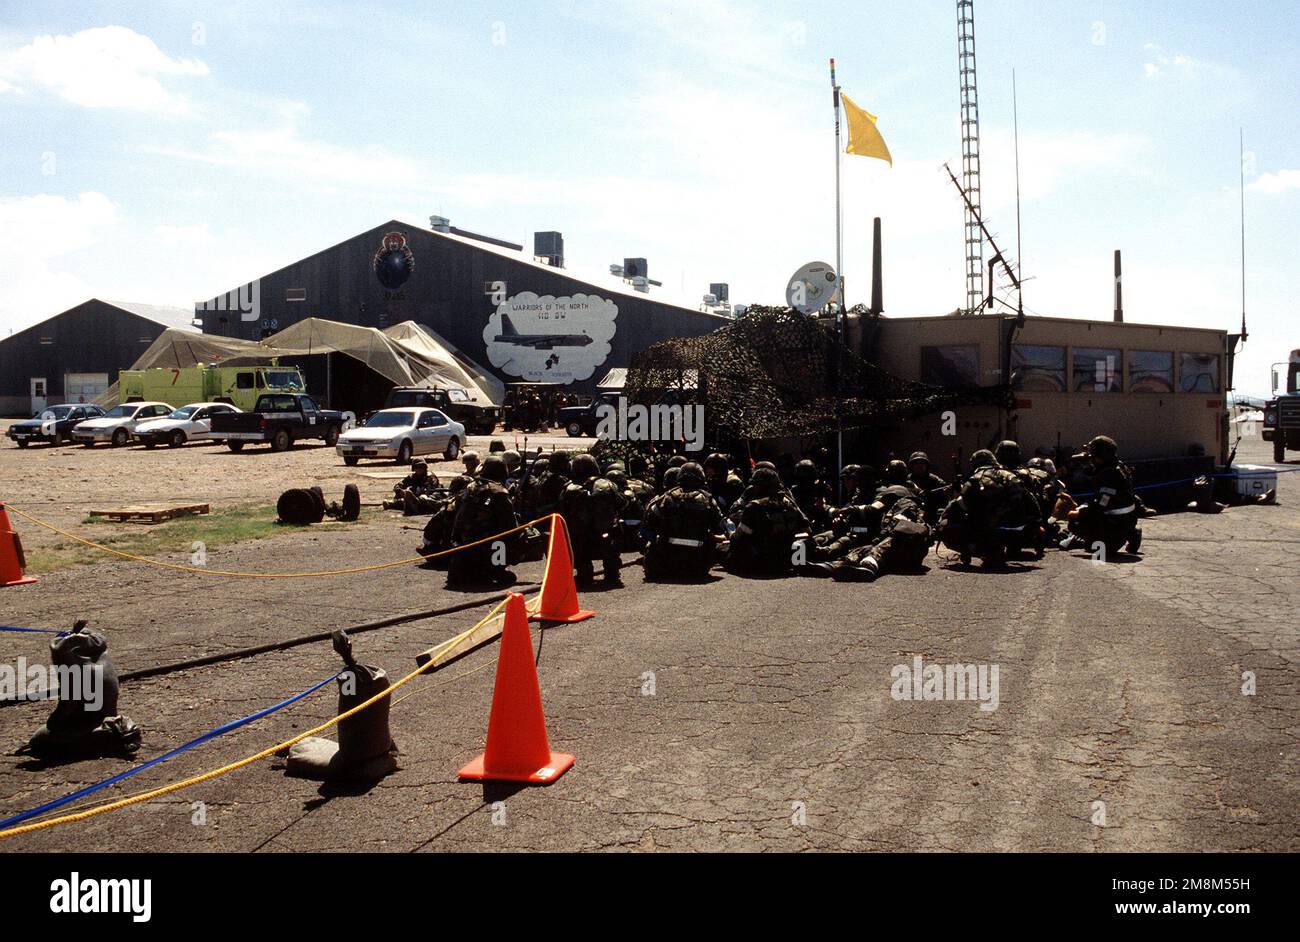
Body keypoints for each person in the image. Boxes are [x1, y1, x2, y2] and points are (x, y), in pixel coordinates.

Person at [936, 449, 1039, 567]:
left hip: (990, 529)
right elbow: (1030, 500)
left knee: (946, 524)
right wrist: (1036, 523)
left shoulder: (976, 478)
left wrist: (941, 520)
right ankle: (1001, 548)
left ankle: (978, 550)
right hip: (1021, 529)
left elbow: (960, 504)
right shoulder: (1012, 475)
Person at [824, 485, 932, 581]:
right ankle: (836, 566)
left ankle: (869, 566)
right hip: (901, 554)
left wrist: (875, 541)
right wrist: (847, 529)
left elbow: (899, 526)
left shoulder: (905, 503)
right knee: (863, 548)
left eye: (886, 498)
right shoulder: (885, 513)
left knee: (884, 544)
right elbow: (868, 531)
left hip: (910, 549)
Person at [642, 462, 725, 581]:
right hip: (697, 563)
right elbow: (719, 526)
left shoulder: (666, 497)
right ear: (701, 477)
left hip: (666, 559)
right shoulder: (708, 499)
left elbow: (649, 522)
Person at [1061, 435, 1141, 556]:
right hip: (1127, 519)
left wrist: (1080, 512)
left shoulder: (1109, 475)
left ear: (1100, 457)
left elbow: (1101, 504)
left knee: (1077, 525)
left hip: (1115, 523)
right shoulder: (1118, 465)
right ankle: (1131, 533)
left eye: (1093, 455)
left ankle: (1103, 540)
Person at [447, 456, 519, 586]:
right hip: (488, 546)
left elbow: (458, 515)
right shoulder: (499, 492)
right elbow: (510, 526)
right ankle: (498, 568)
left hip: (464, 543)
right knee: (520, 536)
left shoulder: (470, 487)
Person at [725, 466, 809, 576]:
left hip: (762, 562)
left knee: (723, 549)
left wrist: (730, 531)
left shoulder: (754, 506)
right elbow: (806, 528)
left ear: (759, 486)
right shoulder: (789, 503)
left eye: (755, 485)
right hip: (786, 561)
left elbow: (737, 539)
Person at [560, 453, 626, 586]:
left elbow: (561, 511)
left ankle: (584, 572)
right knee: (616, 528)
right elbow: (622, 503)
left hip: (580, 537)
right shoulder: (608, 485)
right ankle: (612, 573)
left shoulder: (569, 488)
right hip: (606, 534)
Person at [789, 459, 834, 533]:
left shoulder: (822, 488)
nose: (805, 482)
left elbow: (828, 507)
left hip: (819, 525)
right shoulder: (795, 490)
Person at [906, 452, 950, 524]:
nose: (919, 465)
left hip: (930, 513)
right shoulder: (907, 479)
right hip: (910, 511)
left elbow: (945, 491)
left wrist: (932, 495)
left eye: (922, 463)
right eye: (916, 463)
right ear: (912, 466)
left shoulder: (935, 480)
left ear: (926, 465)